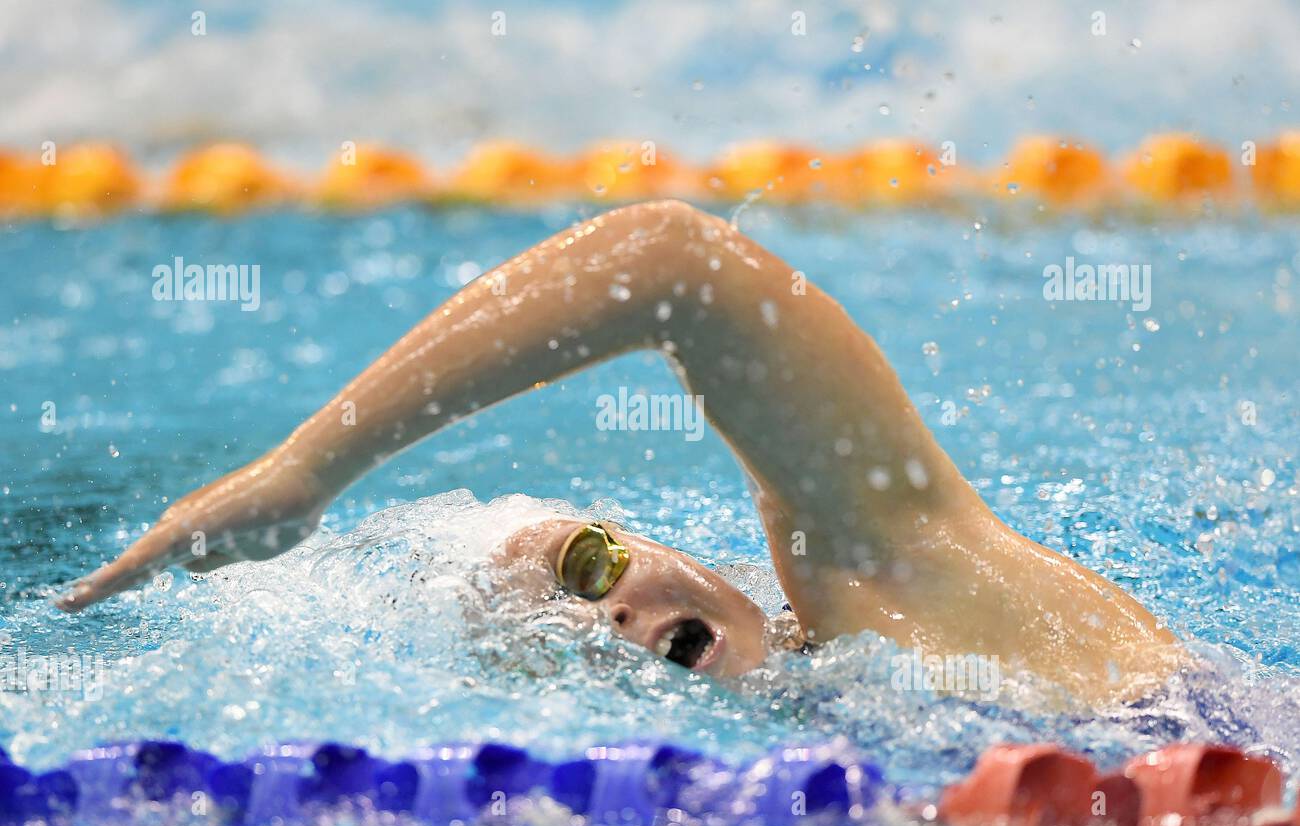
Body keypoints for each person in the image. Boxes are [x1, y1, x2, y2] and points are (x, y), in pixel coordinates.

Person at [55, 200, 1180, 705]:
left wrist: (305, 469)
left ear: (663, 549)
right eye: (555, 642)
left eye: (586, 569)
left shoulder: (890, 569)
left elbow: (673, 263)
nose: (611, 622)